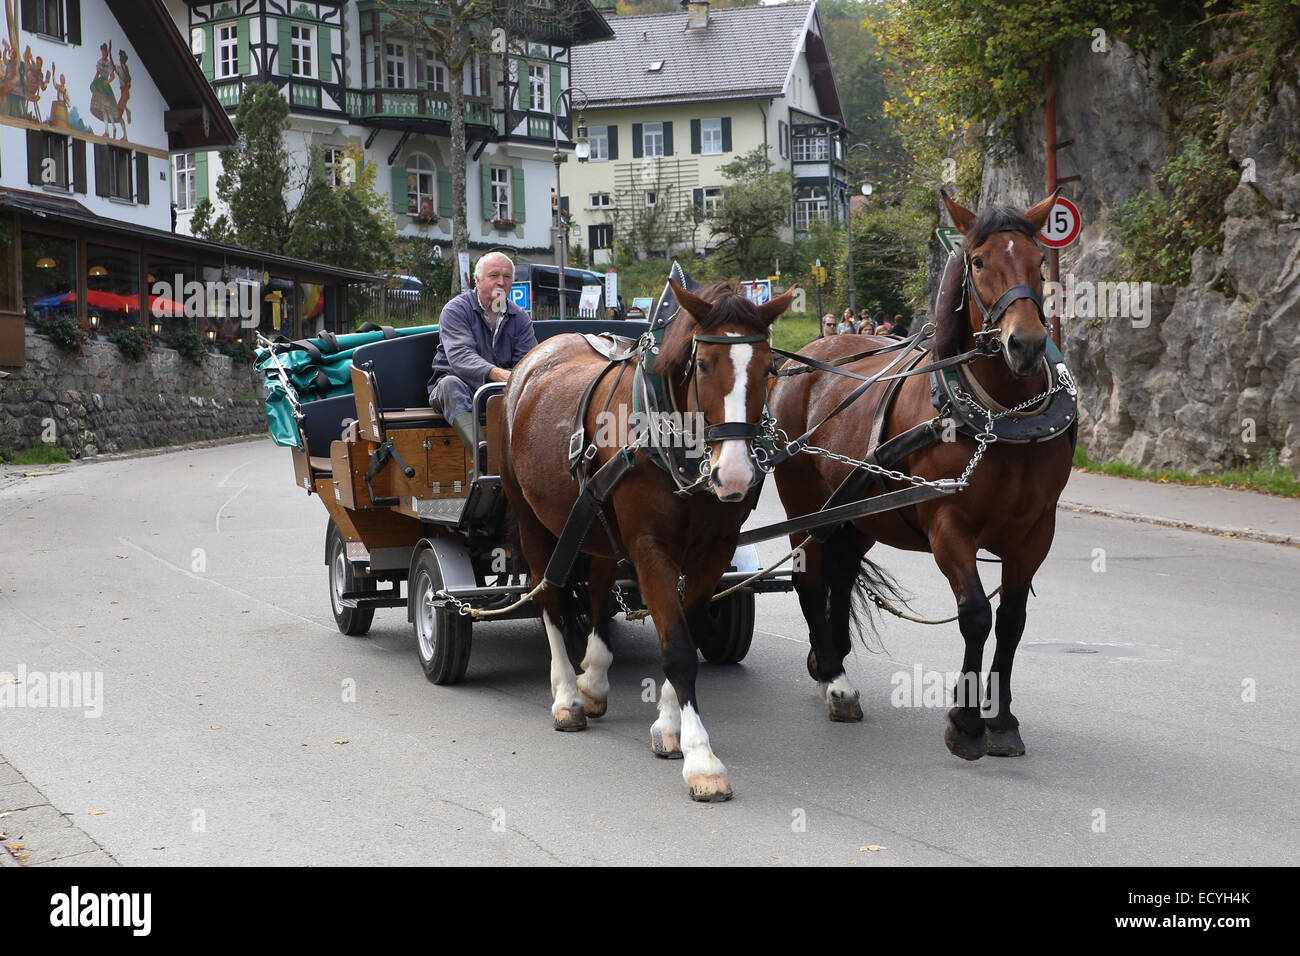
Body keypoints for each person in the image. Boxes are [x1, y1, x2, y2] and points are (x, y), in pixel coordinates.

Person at [427, 251, 537, 452]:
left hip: (502, 390)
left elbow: (528, 361)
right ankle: (481, 452)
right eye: (494, 276)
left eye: (507, 277)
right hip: (459, 386)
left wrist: (517, 381)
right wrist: (501, 375)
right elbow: (460, 357)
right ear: (477, 280)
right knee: (451, 385)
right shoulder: (456, 310)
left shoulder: (520, 317)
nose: (501, 282)